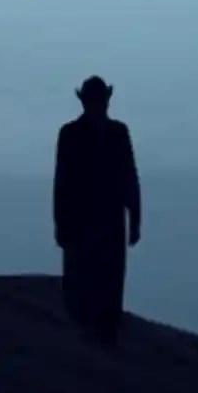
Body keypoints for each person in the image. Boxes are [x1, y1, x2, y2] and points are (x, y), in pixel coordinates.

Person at [53, 76, 142, 345]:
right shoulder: (111, 133)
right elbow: (129, 178)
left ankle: (99, 338)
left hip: (94, 222)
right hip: (93, 222)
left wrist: (135, 219)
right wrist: (135, 219)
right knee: (96, 285)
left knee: (100, 286)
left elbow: (62, 183)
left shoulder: (75, 133)